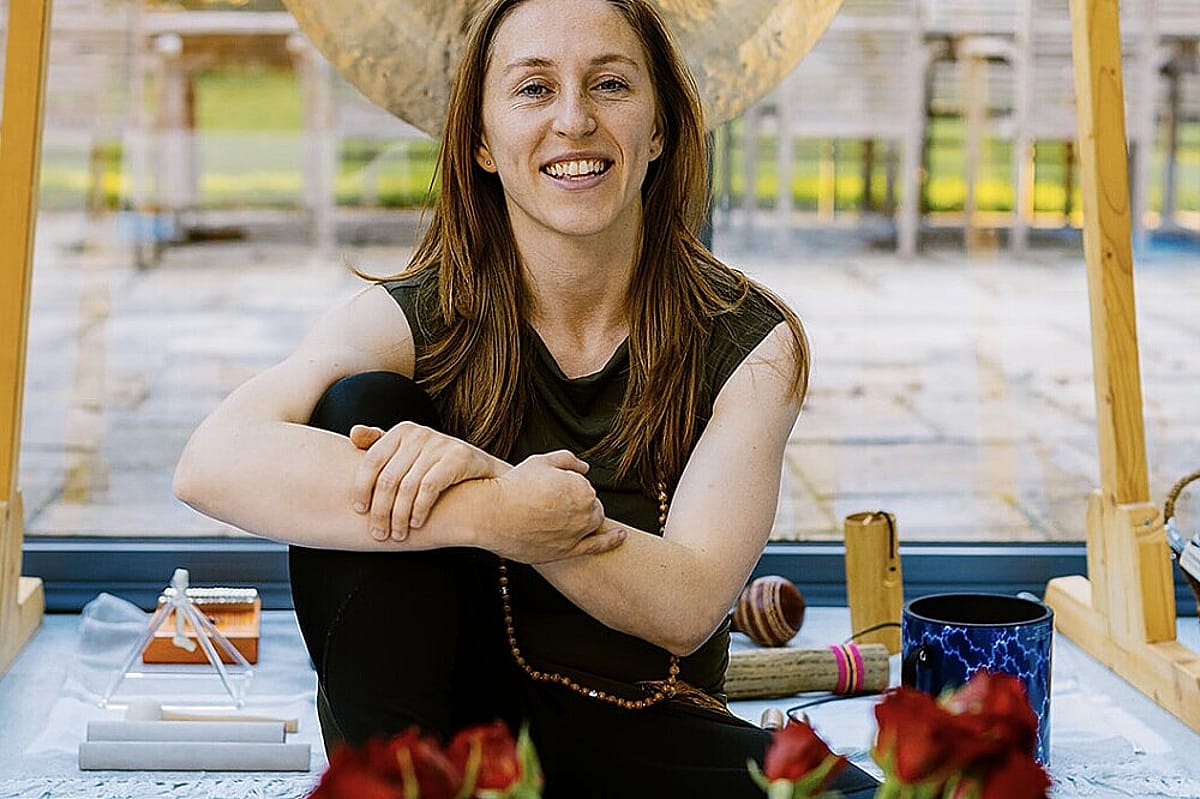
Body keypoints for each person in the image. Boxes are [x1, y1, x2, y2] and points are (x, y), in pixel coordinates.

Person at [175, 0, 874, 795]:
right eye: (534, 89)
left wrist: (544, 527)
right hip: (441, 726)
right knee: (360, 405)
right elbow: (212, 461)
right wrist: (497, 509)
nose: (573, 120)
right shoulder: (417, 316)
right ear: (480, 141)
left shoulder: (751, 341)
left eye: (609, 84)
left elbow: (687, 601)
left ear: (662, 129)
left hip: (647, 721)